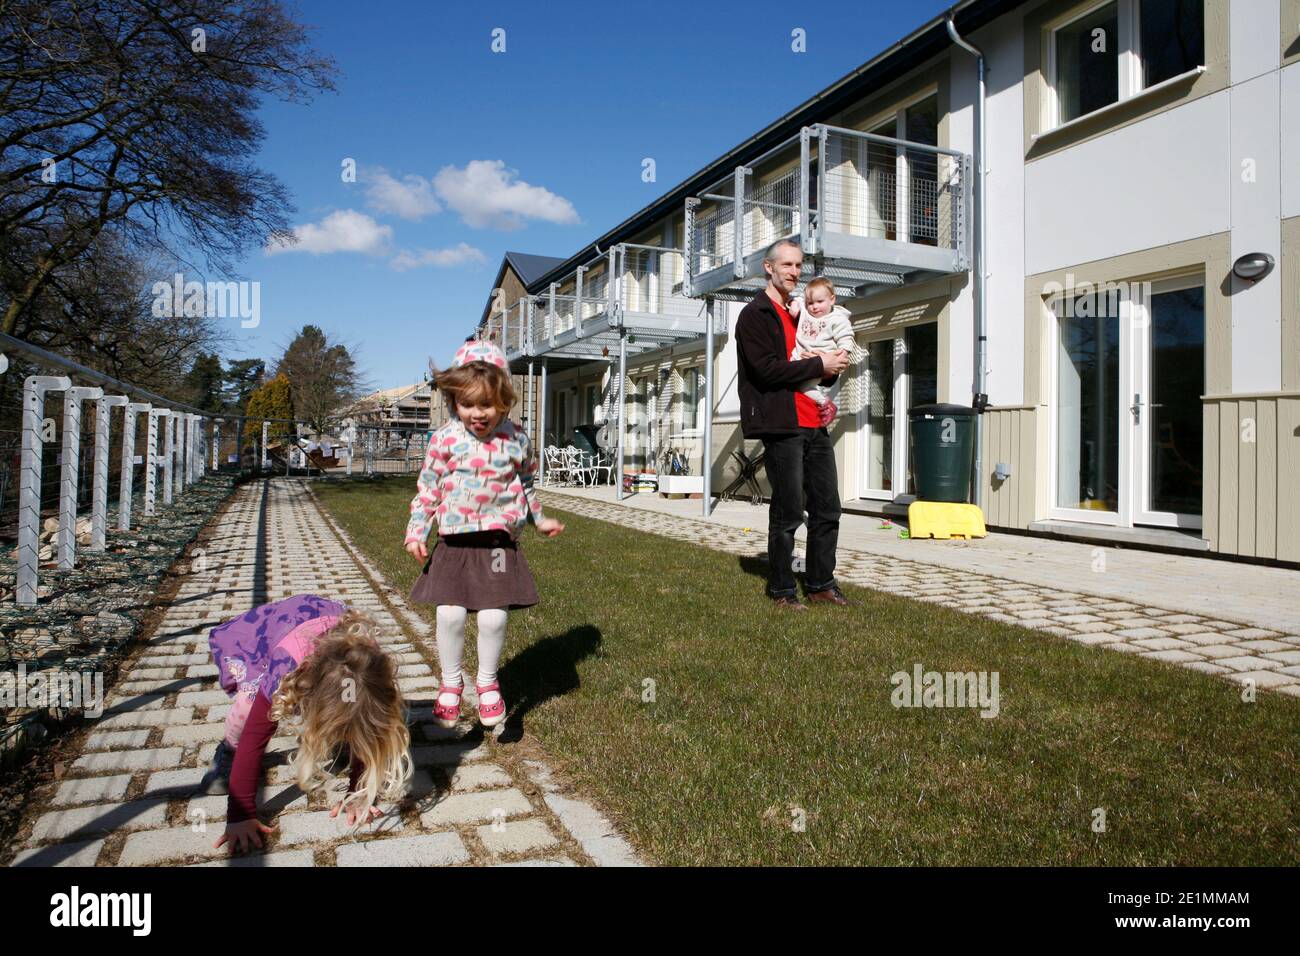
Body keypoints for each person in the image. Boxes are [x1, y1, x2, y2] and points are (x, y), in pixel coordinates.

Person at [405, 340, 564, 730]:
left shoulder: (516, 439)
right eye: (467, 404)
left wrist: (540, 520)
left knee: (493, 618)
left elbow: (526, 484)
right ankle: (451, 683)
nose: (478, 414)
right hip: (455, 542)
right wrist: (417, 529)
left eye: (487, 405)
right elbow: (428, 488)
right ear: (453, 401)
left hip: (496, 544)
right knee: (450, 613)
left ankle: (488, 684)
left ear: (505, 401)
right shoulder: (444, 439)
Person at [203, 594, 413, 854]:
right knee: (248, 710)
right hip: (279, 630)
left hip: (322, 632)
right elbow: (254, 738)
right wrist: (240, 813)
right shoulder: (285, 667)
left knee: (359, 711)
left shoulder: (368, 664)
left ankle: (345, 721)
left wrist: (357, 793)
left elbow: (370, 731)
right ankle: (227, 752)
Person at [735, 239, 852, 611]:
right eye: (787, 264)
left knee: (827, 507)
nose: (794, 272)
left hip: (814, 421)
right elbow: (767, 370)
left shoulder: (804, 314)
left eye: (799, 265)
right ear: (768, 267)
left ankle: (820, 584)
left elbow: (816, 362)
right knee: (788, 511)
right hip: (781, 423)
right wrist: (821, 366)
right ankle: (783, 590)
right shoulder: (755, 315)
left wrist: (829, 376)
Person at [788, 276, 855, 411]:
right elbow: (798, 300)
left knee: (803, 386)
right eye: (810, 303)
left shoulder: (837, 319)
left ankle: (825, 403)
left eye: (820, 301)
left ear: (832, 300)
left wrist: (841, 356)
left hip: (824, 362)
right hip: (800, 359)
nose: (814, 307)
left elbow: (846, 338)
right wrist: (794, 304)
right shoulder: (806, 312)